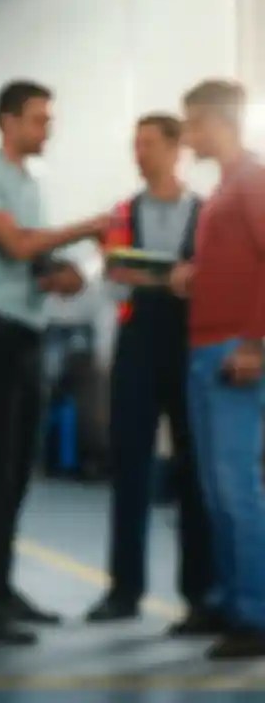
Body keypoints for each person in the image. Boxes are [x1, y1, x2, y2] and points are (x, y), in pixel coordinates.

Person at [0, 80, 111, 645]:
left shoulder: (28, 187)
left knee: (17, 470)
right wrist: (91, 226)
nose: (49, 129)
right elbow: (16, 246)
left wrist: (64, 275)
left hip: (25, 335)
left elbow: (35, 263)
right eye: (40, 120)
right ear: (8, 122)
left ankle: (0, 589)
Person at [84, 115, 217, 633]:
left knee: (193, 473)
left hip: (189, 347)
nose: (139, 153)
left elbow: (205, 279)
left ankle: (200, 596)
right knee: (130, 471)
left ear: (175, 148)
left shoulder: (205, 215)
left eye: (148, 144)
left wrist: (145, 273)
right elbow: (114, 278)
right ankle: (123, 590)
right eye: (134, 144)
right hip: (136, 347)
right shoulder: (124, 211)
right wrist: (171, 276)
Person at [172, 78, 265, 660]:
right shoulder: (222, 191)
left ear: (215, 121)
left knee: (237, 490)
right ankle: (232, 605)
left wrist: (255, 342)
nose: (186, 136)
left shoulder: (254, 181)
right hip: (206, 348)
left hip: (236, 349)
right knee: (215, 490)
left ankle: (256, 614)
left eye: (190, 125)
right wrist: (192, 277)